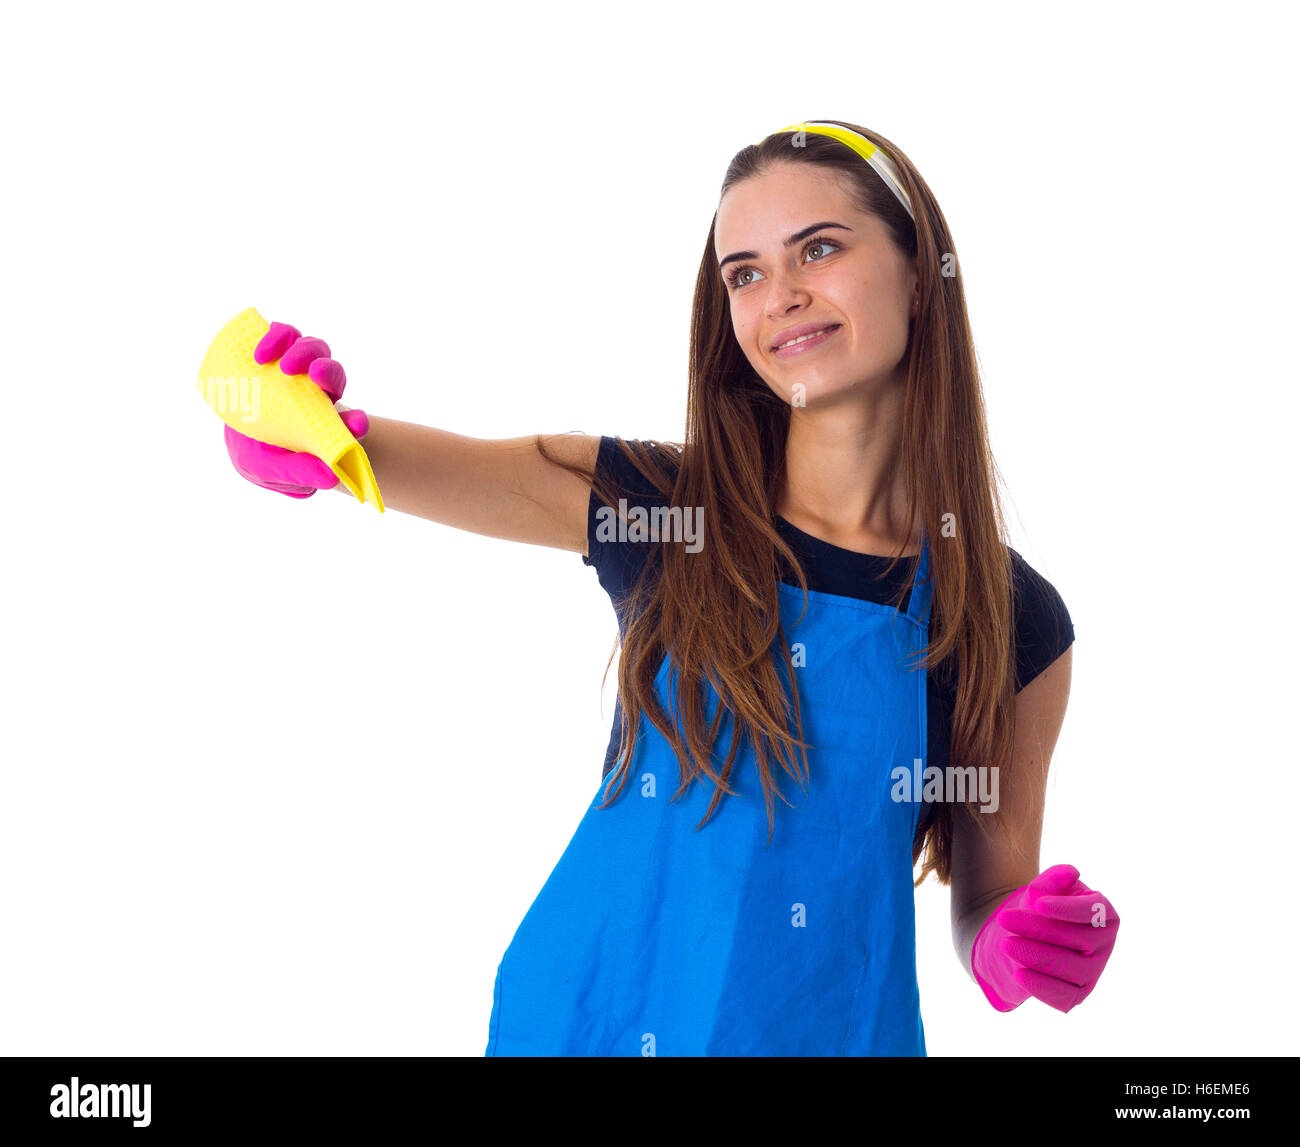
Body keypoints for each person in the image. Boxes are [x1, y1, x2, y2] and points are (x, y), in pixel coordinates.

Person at [221, 120, 1119, 1056]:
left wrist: (1017, 944)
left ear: (919, 272)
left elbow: (987, 901)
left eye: (819, 247)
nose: (783, 295)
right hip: (590, 1022)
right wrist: (286, 428)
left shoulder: (1010, 616)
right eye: (745, 273)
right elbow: (363, 452)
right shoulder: (660, 510)